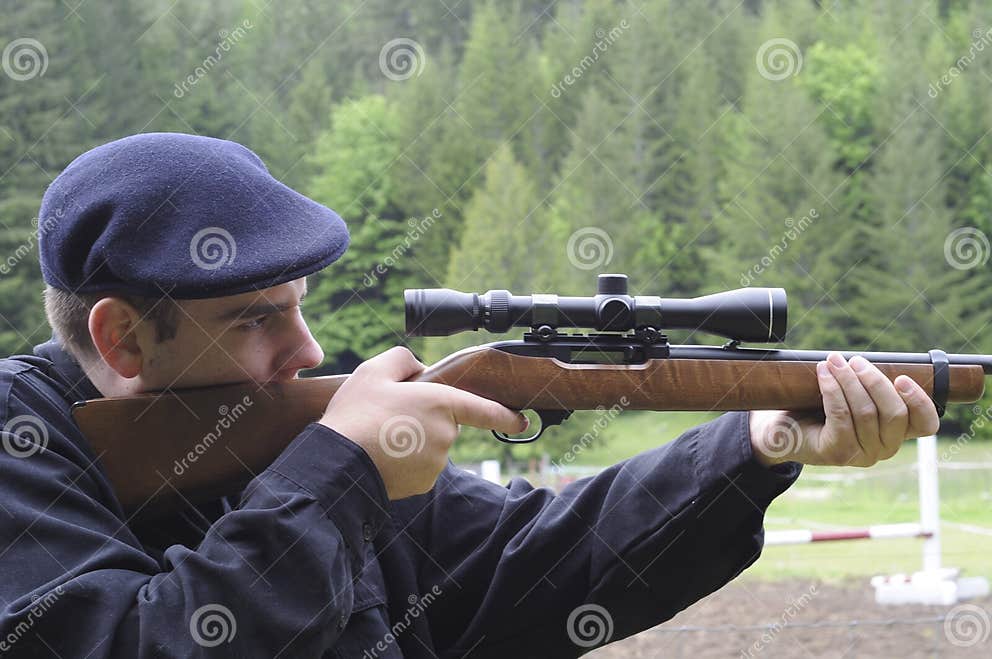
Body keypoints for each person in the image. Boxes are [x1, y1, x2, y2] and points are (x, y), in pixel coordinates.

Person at [0, 133, 939, 658]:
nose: (309, 348)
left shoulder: (289, 438)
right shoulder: (22, 440)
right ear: (123, 338)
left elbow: (531, 562)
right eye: (255, 318)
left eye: (299, 305)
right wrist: (343, 469)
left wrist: (756, 442)